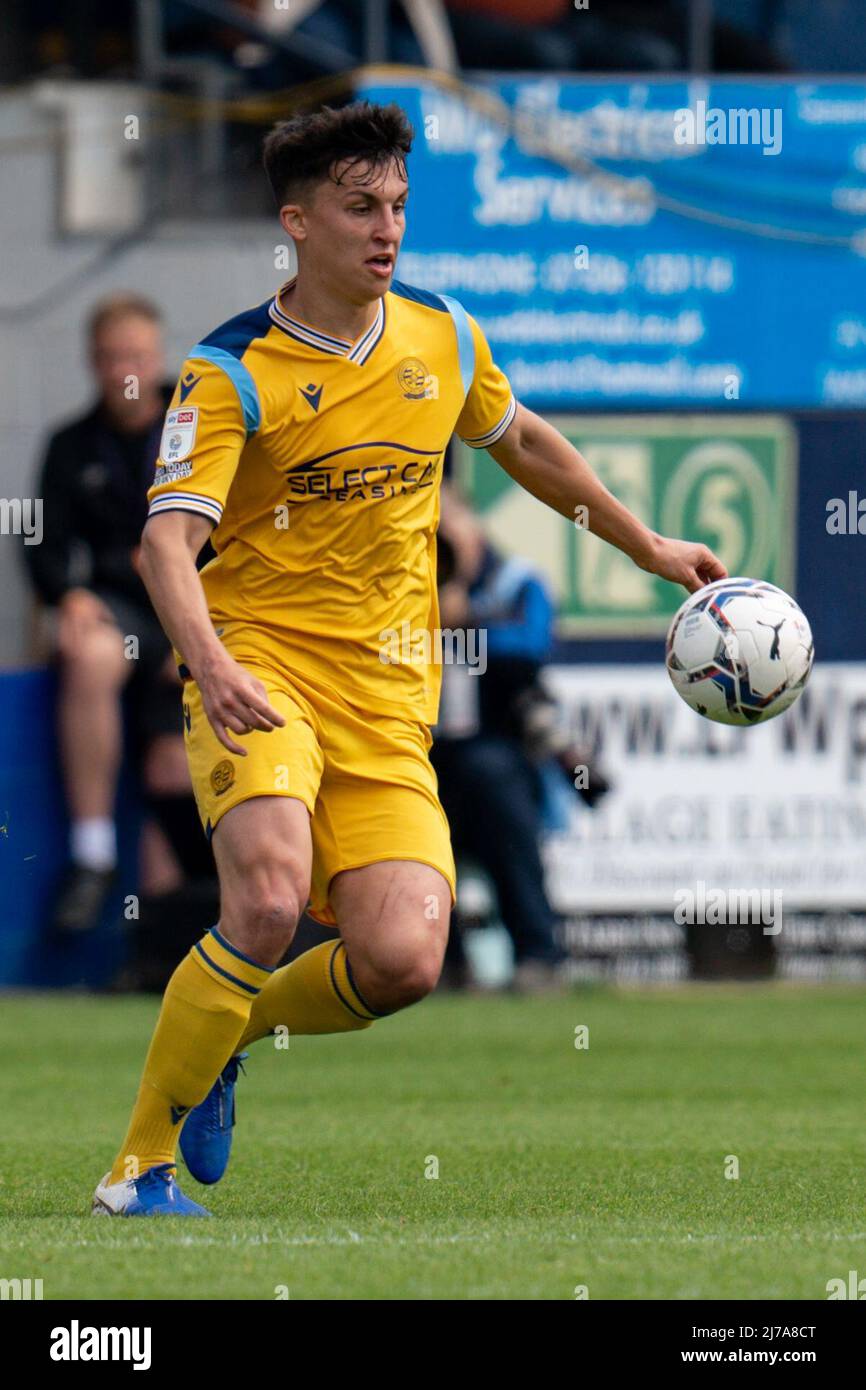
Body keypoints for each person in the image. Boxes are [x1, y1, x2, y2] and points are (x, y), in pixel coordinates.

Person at [91, 100, 726, 1217]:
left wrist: (650, 545)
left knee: (400, 960)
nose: (386, 230)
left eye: (396, 205)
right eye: (357, 207)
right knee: (271, 894)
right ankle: (134, 1170)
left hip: (385, 698)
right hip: (260, 670)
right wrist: (212, 664)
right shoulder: (228, 372)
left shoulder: (439, 333)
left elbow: (524, 442)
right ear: (296, 222)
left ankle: (224, 1034)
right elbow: (163, 546)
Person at [25, 294, 207, 935]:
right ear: (91, 363)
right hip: (121, 617)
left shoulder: (198, 424)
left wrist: (191, 626)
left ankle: (201, 916)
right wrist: (63, 596)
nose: (122, 370)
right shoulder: (71, 446)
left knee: (172, 767)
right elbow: (38, 536)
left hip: (195, 613)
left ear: (157, 357)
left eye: (134, 355)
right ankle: (93, 854)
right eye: (109, 358)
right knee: (93, 652)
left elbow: (235, 526)